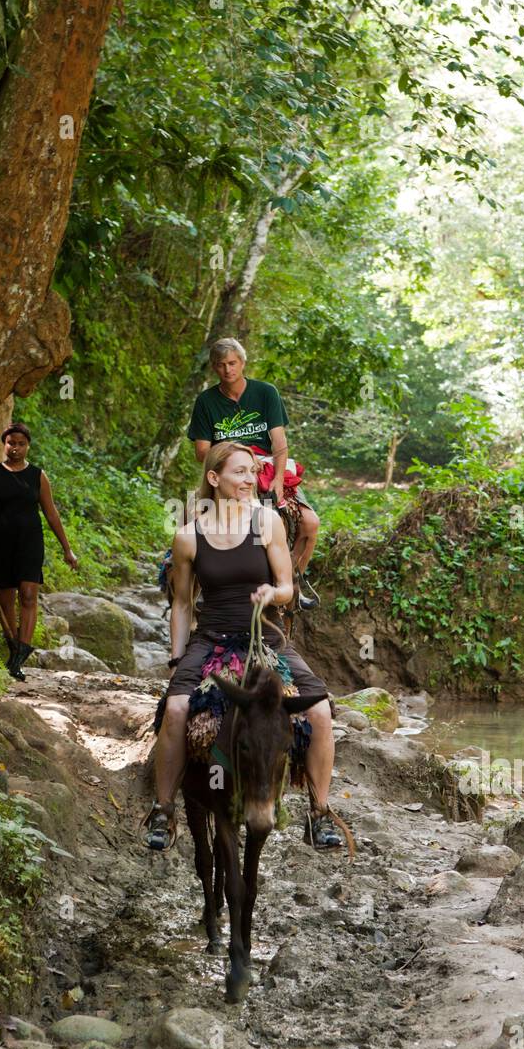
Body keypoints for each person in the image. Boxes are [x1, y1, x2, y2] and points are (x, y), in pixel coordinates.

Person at [145, 441, 342, 851]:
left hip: (267, 638)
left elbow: (289, 586)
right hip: (212, 638)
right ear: (214, 479)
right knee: (178, 708)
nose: (250, 480)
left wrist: (273, 593)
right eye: (239, 472)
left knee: (320, 711)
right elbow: (182, 604)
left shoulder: (267, 522)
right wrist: (177, 657)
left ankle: (320, 812)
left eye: (253, 472)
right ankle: (164, 810)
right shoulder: (188, 537)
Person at [187, 337, 319, 602]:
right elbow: (202, 451)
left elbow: (279, 442)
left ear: (243, 362)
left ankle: (292, 582)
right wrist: (239, 454)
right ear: (214, 367)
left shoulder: (265, 392)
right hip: (225, 468)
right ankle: (197, 585)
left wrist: (279, 479)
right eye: (221, 365)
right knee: (193, 520)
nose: (228, 370)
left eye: (233, 363)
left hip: (268, 465)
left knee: (310, 523)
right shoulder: (206, 401)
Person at [0, 422, 78, 679]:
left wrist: (67, 549)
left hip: (30, 542)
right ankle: (13, 651)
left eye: (20, 444)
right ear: (4, 445)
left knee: (29, 595)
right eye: (11, 443)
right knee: (6, 598)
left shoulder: (38, 476)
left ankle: (20, 656)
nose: (15, 448)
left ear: (27, 446)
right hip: (0, 542)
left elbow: (51, 513)